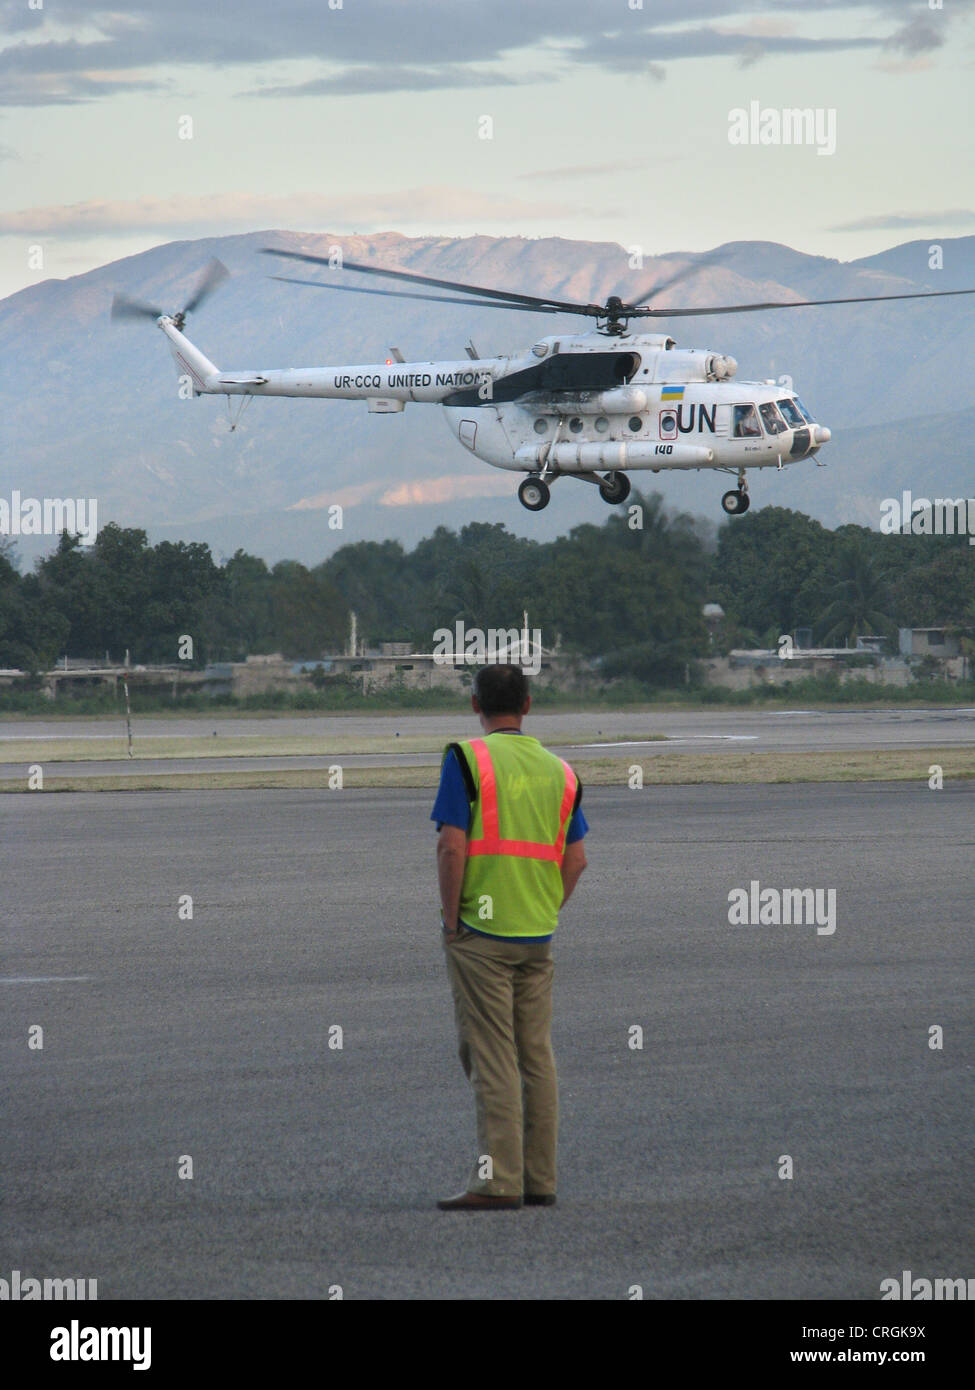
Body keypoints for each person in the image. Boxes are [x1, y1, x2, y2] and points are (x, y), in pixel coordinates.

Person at [431, 663, 588, 1211]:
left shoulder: (467, 760)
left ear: (475, 705)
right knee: (535, 1056)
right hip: (536, 935)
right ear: (528, 704)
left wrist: (452, 923)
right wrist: (546, 906)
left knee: (492, 1055)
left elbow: (452, 847)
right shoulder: (560, 772)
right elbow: (577, 859)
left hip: (481, 932)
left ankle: (498, 1180)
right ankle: (539, 1179)